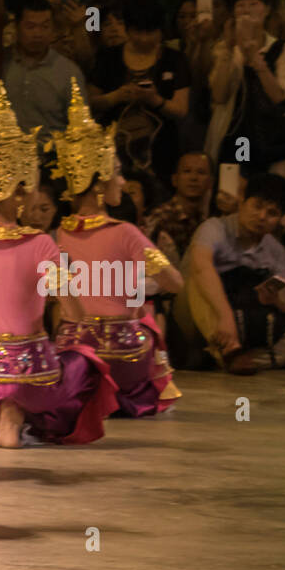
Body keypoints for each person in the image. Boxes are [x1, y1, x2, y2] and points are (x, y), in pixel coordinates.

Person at [0, 83, 118, 448]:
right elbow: (75, 314)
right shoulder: (41, 243)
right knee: (85, 359)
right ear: (21, 189)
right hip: (35, 377)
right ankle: (17, 417)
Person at [52, 82, 184, 416]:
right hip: (118, 353)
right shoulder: (124, 231)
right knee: (147, 326)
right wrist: (135, 288)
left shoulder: (59, 233)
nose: (123, 183)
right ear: (98, 183)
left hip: (73, 349)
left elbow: (55, 291)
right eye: (118, 174)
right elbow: (175, 283)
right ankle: (128, 396)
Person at [176, 172, 285, 372]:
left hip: (245, 324)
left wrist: (275, 301)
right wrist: (225, 317)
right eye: (257, 206)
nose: (262, 216)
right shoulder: (214, 228)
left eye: (271, 213)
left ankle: (244, 360)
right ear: (242, 200)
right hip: (194, 317)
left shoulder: (277, 252)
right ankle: (229, 351)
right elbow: (201, 267)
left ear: (280, 219)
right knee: (200, 282)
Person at [89, 0, 190, 194]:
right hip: (111, 155)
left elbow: (181, 109)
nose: (144, 39)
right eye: (138, 32)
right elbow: (90, 102)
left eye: (150, 32)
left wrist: (154, 100)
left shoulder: (174, 59)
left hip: (161, 155)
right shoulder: (108, 57)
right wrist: (116, 97)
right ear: (128, 29)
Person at [205, 0, 285, 178]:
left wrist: (256, 59)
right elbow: (219, 95)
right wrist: (228, 48)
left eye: (254, 4)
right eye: (241, 5)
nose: (247, 10)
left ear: (267, 9)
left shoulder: (284, 49)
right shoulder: (225, 49)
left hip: (272, 137)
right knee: (238, 181)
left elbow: (281, 99)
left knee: (268, 189)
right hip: (240, 136)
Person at [3, 0, 87, 138]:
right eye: (30, 27)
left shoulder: (68, 72)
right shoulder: (2, 63)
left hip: (51, 154)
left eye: (45, 27)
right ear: (17, 27)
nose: (38, 34)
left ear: (53, 29)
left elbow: (80, 127)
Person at [144, 152, 213, 264]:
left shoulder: (206, 221)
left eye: (201, 172)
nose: (194, 178)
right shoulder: (161, 217)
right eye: (187, 171)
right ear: (175, 179)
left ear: (210, 182)